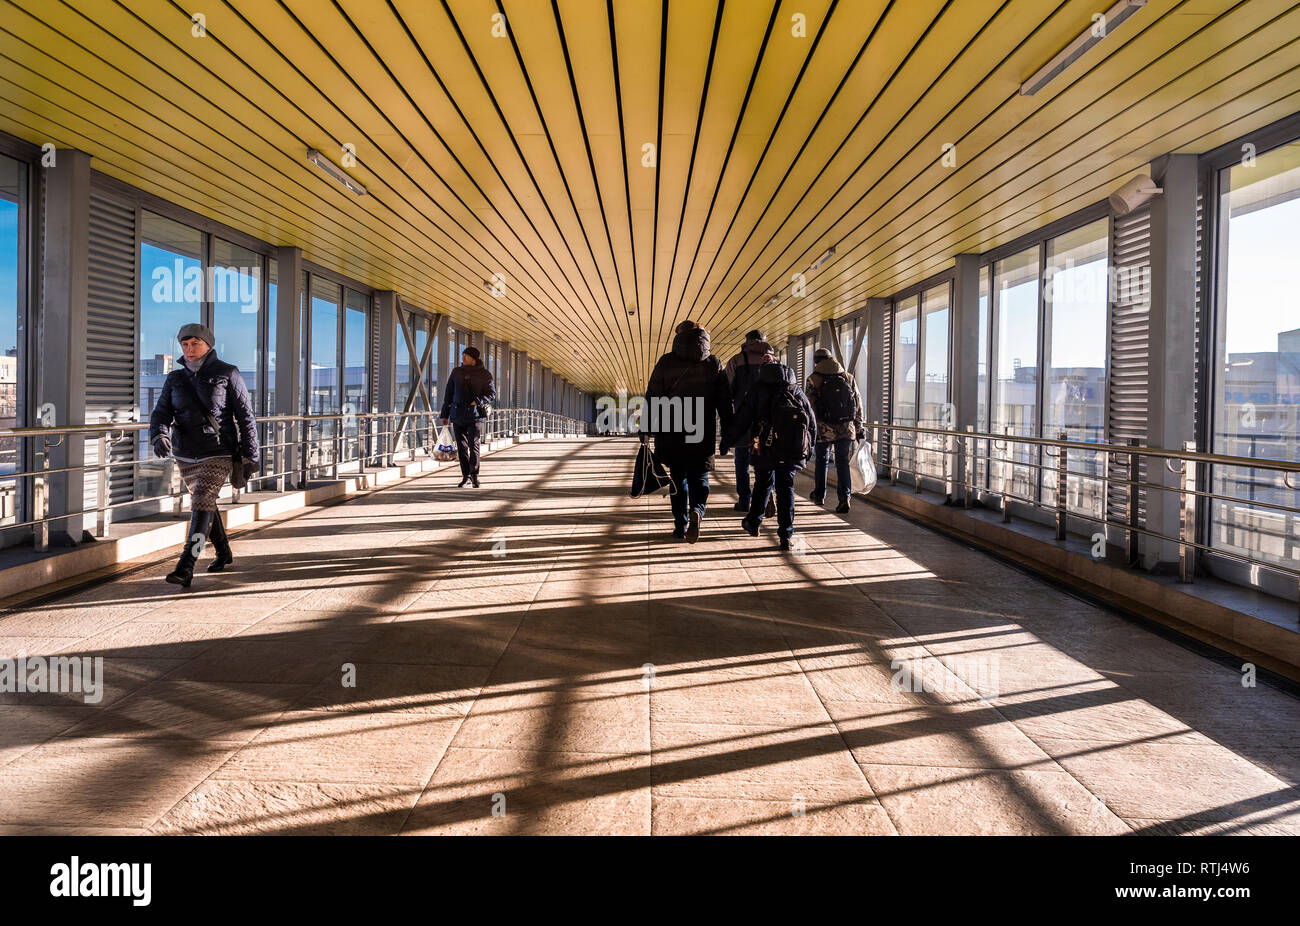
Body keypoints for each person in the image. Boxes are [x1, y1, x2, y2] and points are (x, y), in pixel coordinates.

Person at [149, 323, 259, 587]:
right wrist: (159, 435)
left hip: (217, 451)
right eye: (184, 345)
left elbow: (245, 416)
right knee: (205, 502)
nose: (189, 349)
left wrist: (251, 455)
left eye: (194, 344)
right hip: (185, 453)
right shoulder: (174, 378)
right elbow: (161, 413)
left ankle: (187, 563)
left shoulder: (227, 373)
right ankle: (223, 552)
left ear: (209, 344)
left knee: (201, 501)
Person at [644, 320, 733, 543]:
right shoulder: (714, 362)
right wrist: (729, 431)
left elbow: (653, 396)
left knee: (678, 478)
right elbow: (724, 401)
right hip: (702, 429)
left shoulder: (667, 361)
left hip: (672, 428)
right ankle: (698, 510)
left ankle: (680, 524)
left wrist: (647, 428)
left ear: (678, 336)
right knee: (700, 476)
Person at [726, 349, 817, 551]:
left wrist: (728, 440)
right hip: (792, 448)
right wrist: (809, 448)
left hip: (763, 445)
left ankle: (754, 522)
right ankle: (786, 534)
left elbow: (743, 418)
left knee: (763, 483)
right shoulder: (795, 389)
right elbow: (811, 421)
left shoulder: (758, 389)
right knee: (786, 488)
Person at [805, 347, 865, 513]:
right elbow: (858, 404)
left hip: (823, 429)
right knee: (842, 463)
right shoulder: (848, 377)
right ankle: (844, 498)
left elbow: (809, 406)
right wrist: (859, 426)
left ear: (816, 361)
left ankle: (819, 495)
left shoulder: (813, 379)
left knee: (821, 461)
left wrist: (811, 428)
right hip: (846, 429)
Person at [724, 329, 769, 513]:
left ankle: (744, 501)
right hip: (764, 423)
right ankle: (766, 496)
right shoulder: (772, 361)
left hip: (743, 422)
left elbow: (725, 389)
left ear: (747, 341)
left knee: (742, 461)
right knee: (762, 460)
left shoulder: (737, 360)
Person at [441, 345, 497, 487]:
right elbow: (448, 393)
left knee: (474, 445)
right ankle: (465, 475)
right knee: (461, 447)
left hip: (474, 415)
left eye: (466, 356)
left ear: (474, 359)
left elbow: (492, 394)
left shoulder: (485, 374)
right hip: (457, 413)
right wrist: (444, 414)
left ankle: (474, 475)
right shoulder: (456, 372)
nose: (463, 358)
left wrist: (477, 401)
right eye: (463, 355)